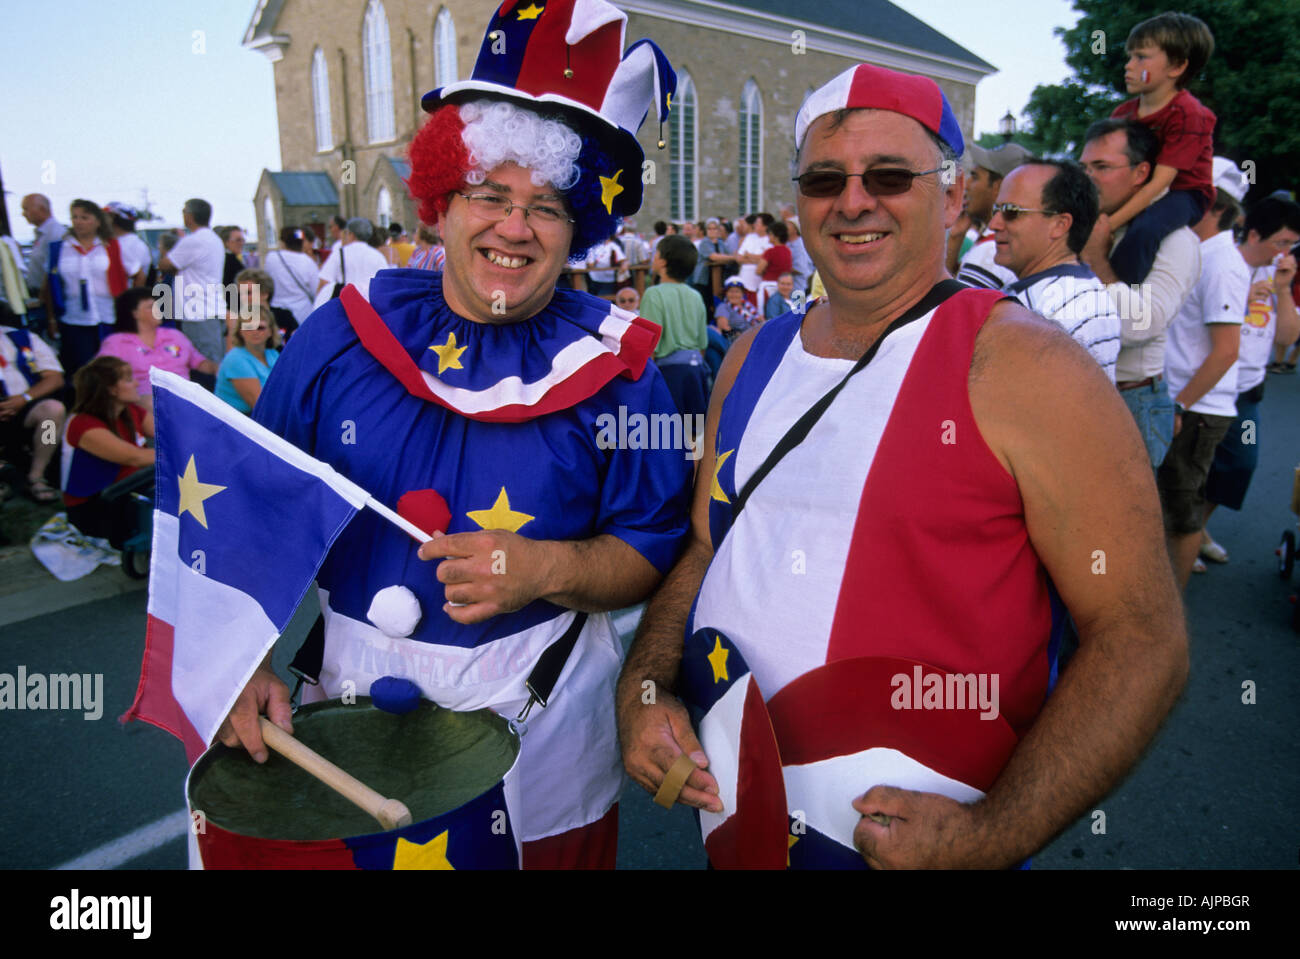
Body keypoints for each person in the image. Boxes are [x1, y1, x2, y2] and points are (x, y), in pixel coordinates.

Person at [617, 61, 1186, 870]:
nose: (853, 200)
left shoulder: (1028, 366)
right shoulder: (749, 357)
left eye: (889, 175)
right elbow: (707, 549)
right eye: (823, 180)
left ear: (955, 198)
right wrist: (644, 686)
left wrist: (994, 837)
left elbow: (1142, 635)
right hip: (737, 822)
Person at [217, 0, 689, 870]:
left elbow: (654, 546)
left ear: (579, 226)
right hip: (340, 711)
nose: (515, 228)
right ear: (441, 202)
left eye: (547, 206)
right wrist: (236, 662)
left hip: (540, 730)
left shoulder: (625, 373)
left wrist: (548, 569)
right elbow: (251, 509)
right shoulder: (337, 336)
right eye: (490, 195)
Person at [1080, 118, 1200, 468]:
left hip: (1130, 400)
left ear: (1140, 173)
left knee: (1113, 519)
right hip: (1078, 389)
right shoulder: (1092, 224)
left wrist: (1098, 262)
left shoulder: (1176, 240)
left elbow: (1141, 325)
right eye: (1084, 166)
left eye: (1101, 167)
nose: (1088, 177)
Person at [1201, 196, 1300, 561]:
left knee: (1242, 461)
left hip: (1246, 392)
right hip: (1208, 384)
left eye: (1292, 244)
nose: (1286, 252)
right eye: (1282, 242)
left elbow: (1287, 338)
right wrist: (1242, 298)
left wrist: (1285, 289)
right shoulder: (1223, 265)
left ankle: (1196, 527)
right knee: (1193, 464)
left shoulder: (1276, 275)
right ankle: (1185, 533)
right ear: (1255, 234)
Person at [1097, 13, 1216, 287]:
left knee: (1145, 229)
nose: (1128, 66)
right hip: (1141, 183)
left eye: (1141, 58)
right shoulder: (1124, 113)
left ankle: (1122, 290)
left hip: (1184, 192)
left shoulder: (1189, 114)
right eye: (1130, 57)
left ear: (1176, 66)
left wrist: (1111, 224)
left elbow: (1162, 183)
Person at [989, 160, 1120, 380]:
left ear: (1060, 224)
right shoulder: (1069, 293)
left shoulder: (1054, 313)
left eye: (1011, 212)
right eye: (996, 209)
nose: (994, 224)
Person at [60, 356, 154, 547]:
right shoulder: (83, 424)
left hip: (127, 494)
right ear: (110, 389)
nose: (136, 383)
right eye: (128, 380)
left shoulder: (132, 411)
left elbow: (171, 431)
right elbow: (135, 458)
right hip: (95, 508)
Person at [48, 199, 147, 375]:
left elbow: (138, 274)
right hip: (73, 318)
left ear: (98, 221)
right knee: (84, 370)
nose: (78, 222)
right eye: (75, 217)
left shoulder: (112, 246)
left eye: (84, 217)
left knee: (113, 368)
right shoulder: (61, 248)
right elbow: (49, 285)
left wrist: (130, 306)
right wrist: (51, 318)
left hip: (108, 316)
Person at [98, 288, 216, 413]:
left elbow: (200, 363)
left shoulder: (174, 336)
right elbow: (101, 373)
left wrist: (218, 368)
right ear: (135, 313)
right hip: (143, 401)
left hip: (185, 395)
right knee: (153, 403)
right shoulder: (117, 342)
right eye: (150, 307)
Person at [640, 235, 709, 420]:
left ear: (663, 262)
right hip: (695, 371)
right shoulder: (695, 296)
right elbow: (702, 344)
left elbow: (649, 346)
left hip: (669, 375)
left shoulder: (653, 294)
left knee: (665, 438)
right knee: (694, 436)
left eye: (656, 254)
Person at [954, 142, 1033, 290]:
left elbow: (952, 310)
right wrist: (955, 236)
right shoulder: (1005, 243)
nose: (967, 184)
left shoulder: (993, 250)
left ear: (999, 186)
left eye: (975, 177)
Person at [0, 321, 64, 502]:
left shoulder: (22, 338)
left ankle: (37, 475)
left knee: (53, 412)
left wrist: (24, 399)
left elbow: (55, 378)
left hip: (23, 406)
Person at [159, 199, 226, 366]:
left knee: (203, 365)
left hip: (197, 312)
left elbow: (165, 264)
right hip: (209, 309)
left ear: (189, 215)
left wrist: (164, 251)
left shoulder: (193, 240)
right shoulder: (213, 239)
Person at [215, 297, 279, 415]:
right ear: (240, 331)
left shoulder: (273, 354)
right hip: (234, 423)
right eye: (249, 327)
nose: (255, 332)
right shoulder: (236, 359)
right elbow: (260, 406)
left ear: (270, 331)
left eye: (260, 327)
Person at [314, 217, 389, 305]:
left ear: (351, 234)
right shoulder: (377, 256)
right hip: (371, 307)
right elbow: (385, 284)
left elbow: (324, 281)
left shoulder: (340, 253)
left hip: (347, 306)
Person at [224, 268, 297, 353]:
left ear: (265, 294)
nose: (243, 298)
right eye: (241, 294)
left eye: (248, 293)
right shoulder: (239, 320)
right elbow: (232, 355)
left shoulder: (284, 316)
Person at [263, 227, 320, 325]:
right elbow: (316, 289)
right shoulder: (308, 261)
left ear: (283, 242)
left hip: (278, 311)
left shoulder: (271, 258)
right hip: (302, 312)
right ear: (302, 242)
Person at [21, 194, 64, 297]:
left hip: (47, 298)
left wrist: (42, 299)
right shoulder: (42, 233)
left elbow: (53, 270)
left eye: (26, 209)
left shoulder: (55, 233)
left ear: (42, 209)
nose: (23, 214)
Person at [104, 204, 152, 287]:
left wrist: (131, 299)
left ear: (115, 219)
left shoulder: (131, 244)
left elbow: (139, 278)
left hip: (123, 297)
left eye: (106, 217)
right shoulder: (117, 241)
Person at [585, 232, 627, 299]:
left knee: (604, 300)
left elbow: (622, 260)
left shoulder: (614, 246)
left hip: (608, 280)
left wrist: (624, 265)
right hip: (593, 279)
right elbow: (590, 264)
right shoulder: (594, 246)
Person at [784, 216, 815, 294]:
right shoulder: (787, 243)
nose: (785, 227)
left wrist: (781, 267)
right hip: (790, 287)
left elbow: (801, 269)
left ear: (795, 229)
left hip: (800, 286)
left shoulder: (801, 245)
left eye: (788, 225)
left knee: (799, 305)